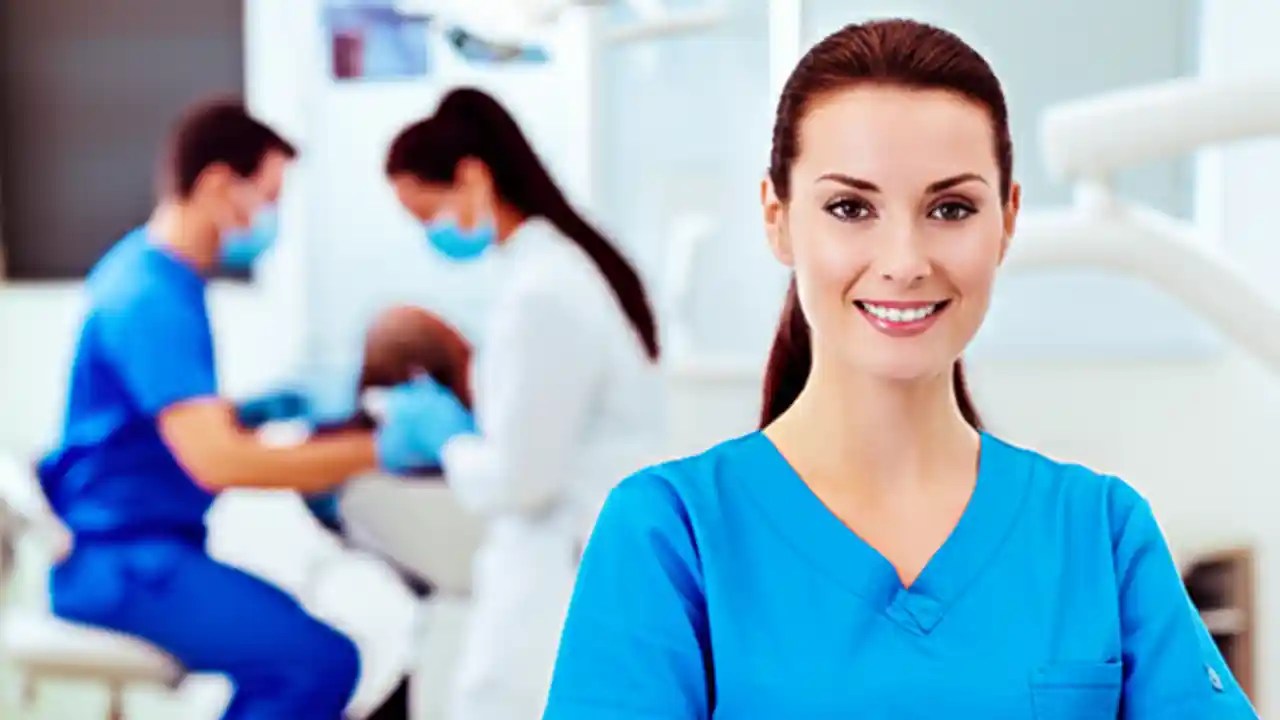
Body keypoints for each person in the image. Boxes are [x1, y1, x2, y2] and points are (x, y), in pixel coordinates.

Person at [543, 19, 1259, 720]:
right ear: (777, 217)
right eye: (850, 207)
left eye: (950, 208)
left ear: (1007, 219)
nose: (905, 261)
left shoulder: (1097, 532)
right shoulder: (673, 535)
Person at [38, 98, 453, 720]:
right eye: (268, 197)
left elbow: (164, 428)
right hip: (126, 566)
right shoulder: (151, 294)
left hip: (131, 553)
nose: (273, 219)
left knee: (310, 651)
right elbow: (216, 461)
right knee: (317, 661)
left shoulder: (153, 275)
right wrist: (381, 448)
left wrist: (254, 411)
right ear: (214, 185)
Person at [382, 87, 666, 720]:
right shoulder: (553, 271)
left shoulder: (542, 293)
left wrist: (448, 439)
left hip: (557, 571)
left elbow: (522, 482)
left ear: (473, 176)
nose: (430, 235)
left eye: (428, 213)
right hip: (573, 560)